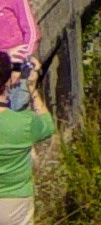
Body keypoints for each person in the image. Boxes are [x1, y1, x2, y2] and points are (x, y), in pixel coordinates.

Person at [0, 52, 52, 225]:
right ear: (8, 81)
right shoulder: (25, 121)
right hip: (15, 199)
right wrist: (31, 87)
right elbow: (48, 125)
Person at [0, 0, 33, 106]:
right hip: (3, 58)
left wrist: (20, 62)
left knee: (17, 107)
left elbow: (30, 31)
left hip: (16, 62)